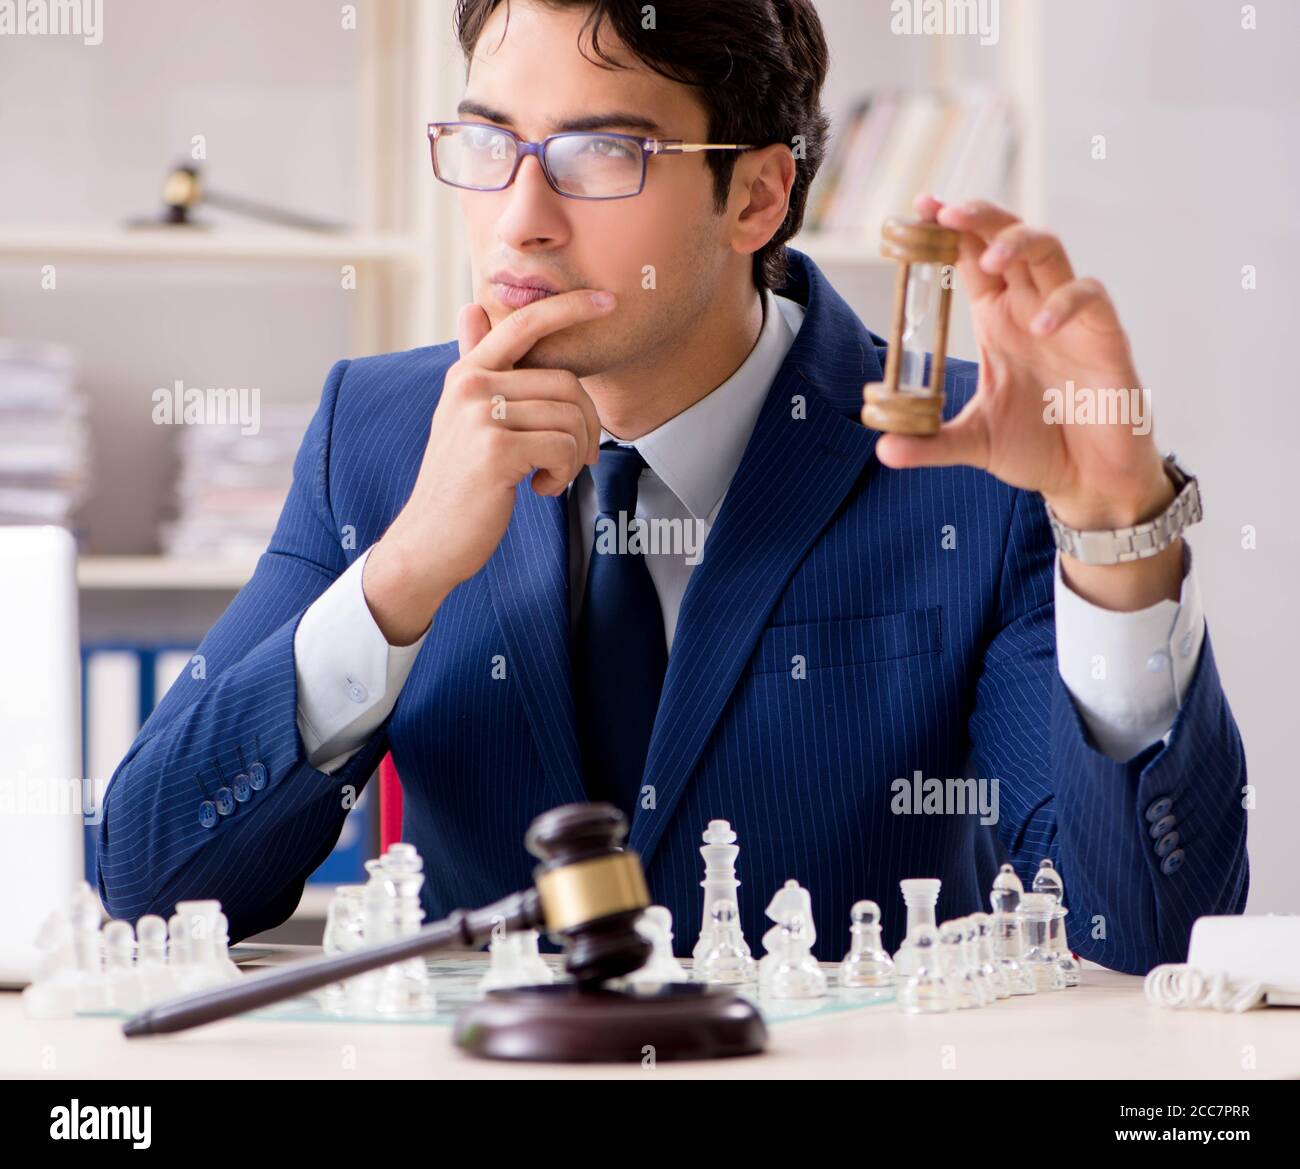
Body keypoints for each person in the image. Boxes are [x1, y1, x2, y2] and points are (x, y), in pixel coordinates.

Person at [97, 0, 1246, 967]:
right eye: (490, 142)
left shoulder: (978, 459)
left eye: (602, 155)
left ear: (754, 197)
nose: (519, 219)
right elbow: (147, 884)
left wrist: (1112, 532)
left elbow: (1143, 937)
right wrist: (399, 575)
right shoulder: (378, 432)